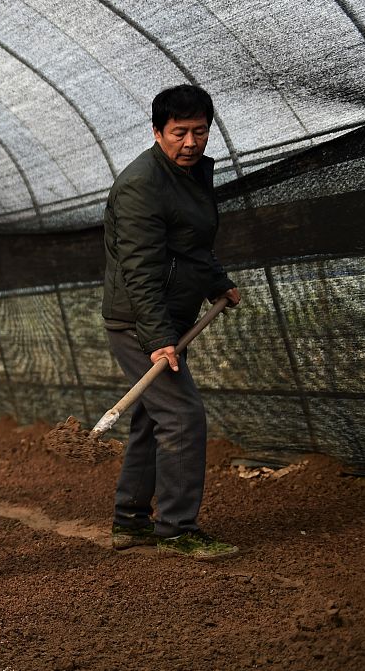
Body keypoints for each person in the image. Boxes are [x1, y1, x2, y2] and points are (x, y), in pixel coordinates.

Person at [102, 84, 241, 560]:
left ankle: (130, 522)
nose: (191, 142)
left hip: (172, 317)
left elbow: (193, 242)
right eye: (179, 133)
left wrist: (217, 282)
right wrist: (160, 338)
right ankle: (178, 528)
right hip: (140, 320)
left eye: (199, 132)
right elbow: (139, 268)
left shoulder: (194, 173)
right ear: (157, 132)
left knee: (151, 417)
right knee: (182, 417)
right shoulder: (143, 183)